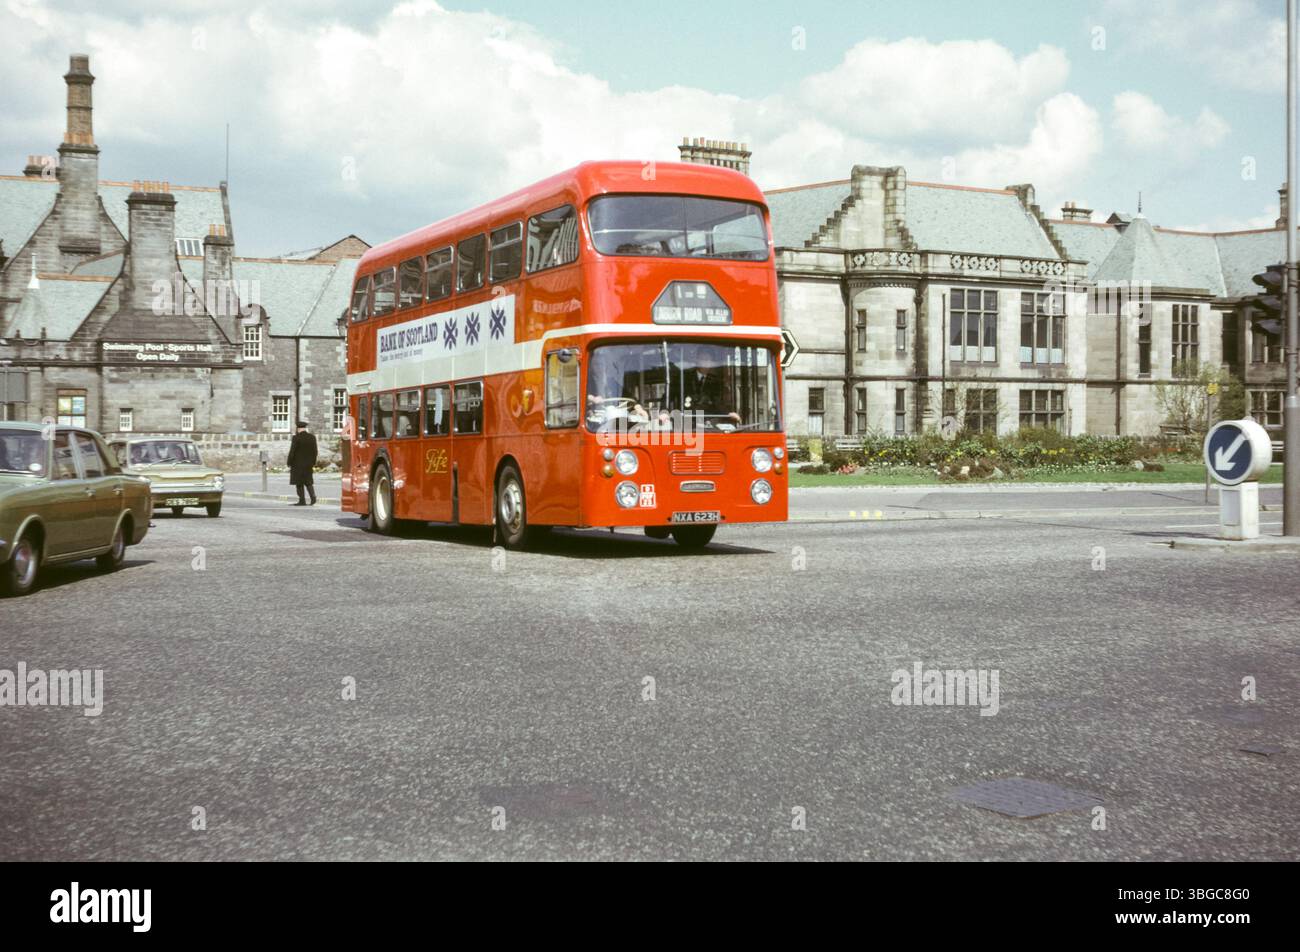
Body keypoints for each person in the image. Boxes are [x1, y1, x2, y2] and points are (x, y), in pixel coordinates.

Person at [683, 344, 740, 425]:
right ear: (697, 360)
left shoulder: (716, 382)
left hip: (707, 423)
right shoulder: (685, 378)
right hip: (686, 423)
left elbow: (719, 402)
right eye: (702, 359)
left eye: (708, 360)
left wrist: (729, 413)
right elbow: (670, 396)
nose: (705, 362)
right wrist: (664, 413)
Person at [287, 421, 318, 506]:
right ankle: (313, 497)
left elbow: (292, 451)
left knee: (299, 483)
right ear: (305, 428)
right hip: (308, 464)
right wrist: (313, 462)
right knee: (308, 481)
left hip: (297, 464)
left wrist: (289, 462)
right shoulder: (312, 437)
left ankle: (302, 500)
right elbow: (315, 451)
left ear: (298, 428)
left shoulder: (296, 438)